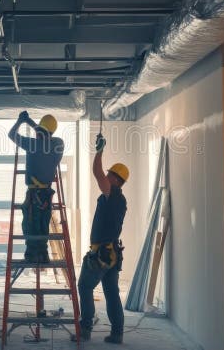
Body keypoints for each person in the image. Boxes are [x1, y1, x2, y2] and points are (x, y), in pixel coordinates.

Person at [77, 133, 128, 344]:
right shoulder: (118, 198)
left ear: (116, 179)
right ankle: (117, 333)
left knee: (85, 286)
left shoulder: (112, 193)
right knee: (111, 293)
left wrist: (99, 150)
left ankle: (85, 328)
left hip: (102, 253)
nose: (106, 176)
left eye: (110, 174)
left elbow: (97, 173)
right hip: (111, 254)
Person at [8, 111, 64, 263]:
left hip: (33, 195)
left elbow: (11, 134)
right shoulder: (57, 144)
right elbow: (45, 135)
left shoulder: (32, 144)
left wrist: (21, 121)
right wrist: (31, 122)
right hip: (46, 194)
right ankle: (43, 254)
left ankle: (32, 254)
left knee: (30, 223)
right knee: (43, 223)